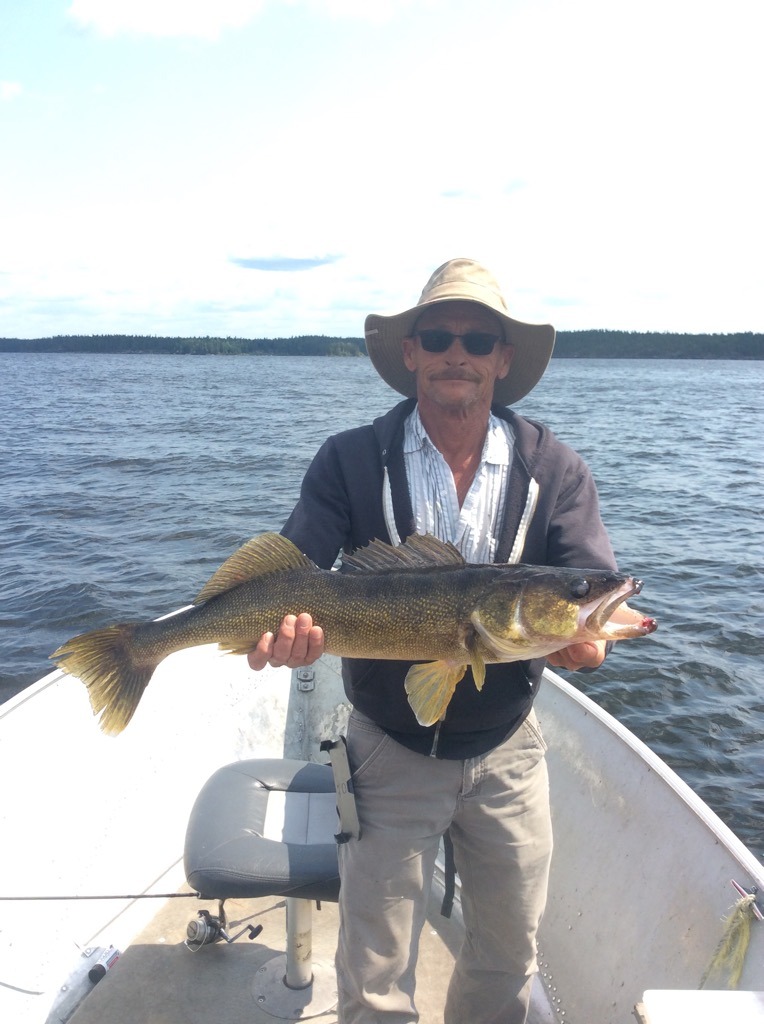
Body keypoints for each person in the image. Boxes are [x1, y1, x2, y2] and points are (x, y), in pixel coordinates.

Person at [248, 258, 625, 1024]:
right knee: (374, 969)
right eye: (440, 336)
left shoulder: (555, 470)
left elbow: (587, 594)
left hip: (509, 750)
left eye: (479, 339)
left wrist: (590, 642)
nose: (460, 353)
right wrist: (276, 634)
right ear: (411, 351)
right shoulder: (349, 458)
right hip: (387, 747)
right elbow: (289, 572)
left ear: (503, 358)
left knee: (510, 956)